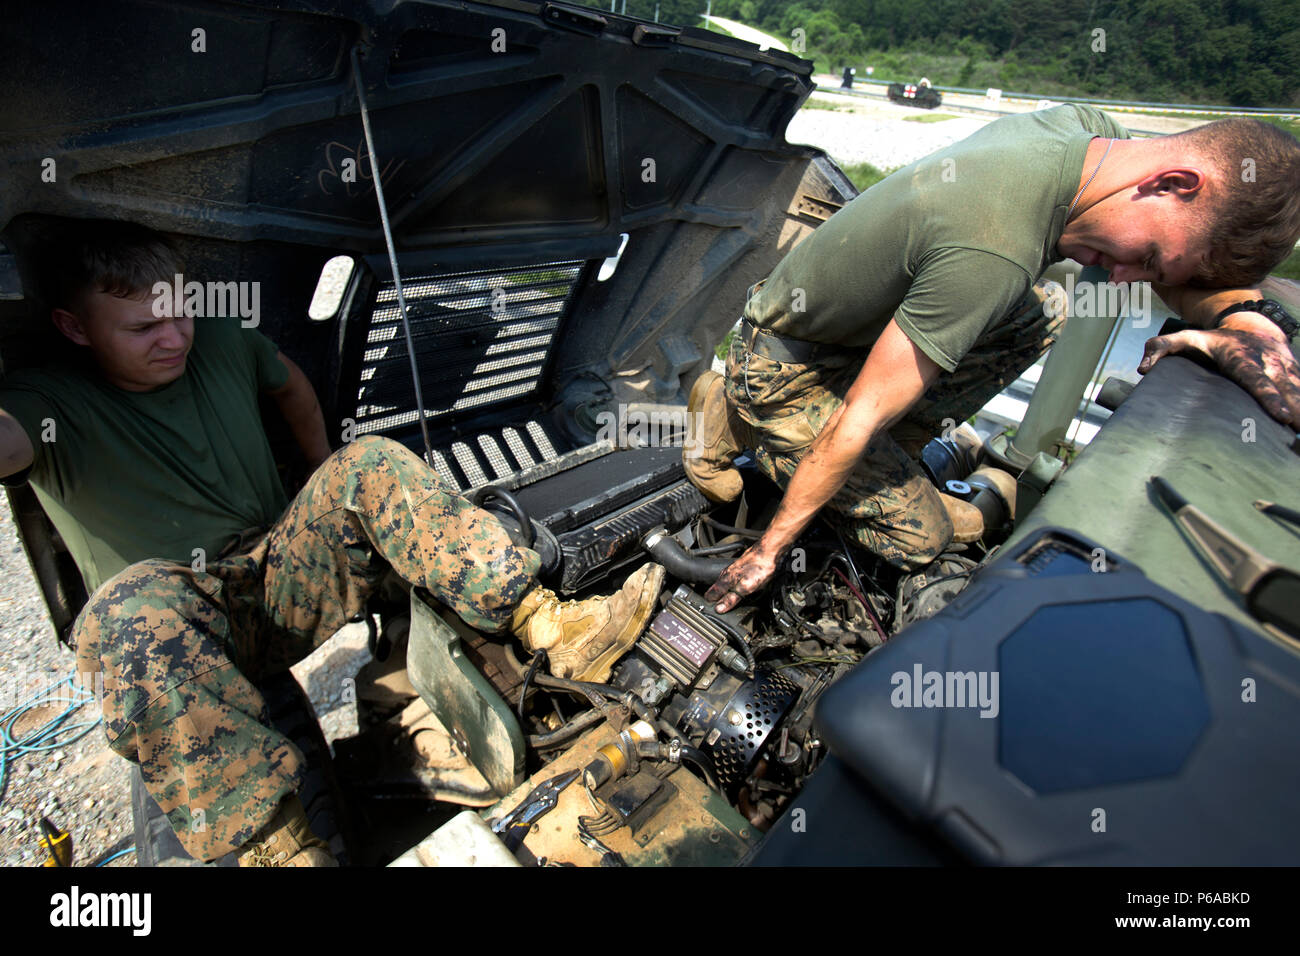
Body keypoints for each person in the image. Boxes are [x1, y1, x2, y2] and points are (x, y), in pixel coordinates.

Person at [0, 219, 664, 865]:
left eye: (180, 314)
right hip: (187, 638)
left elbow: (290, 384)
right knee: (127, 610)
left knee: (367, 461)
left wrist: (320, 468)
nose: (173, 338)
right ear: (74, 327)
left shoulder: (221, 341)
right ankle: (278, 849)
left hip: (278, 580)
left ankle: (550, 626)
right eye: (143, 328)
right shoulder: (43, 403)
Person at [683, 106, 1300, 614]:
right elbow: (860, 416)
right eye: (1149, 260)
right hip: (785, 372)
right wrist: (767, 552)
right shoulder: (992, 249)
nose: (1125, 280)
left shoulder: (1090, 136)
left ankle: (884, 457)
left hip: (848, 336)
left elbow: (1182, 272)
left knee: (1044, 309)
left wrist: (1249, 322)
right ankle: (736, 415)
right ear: (1174, 184)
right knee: (924, 537)